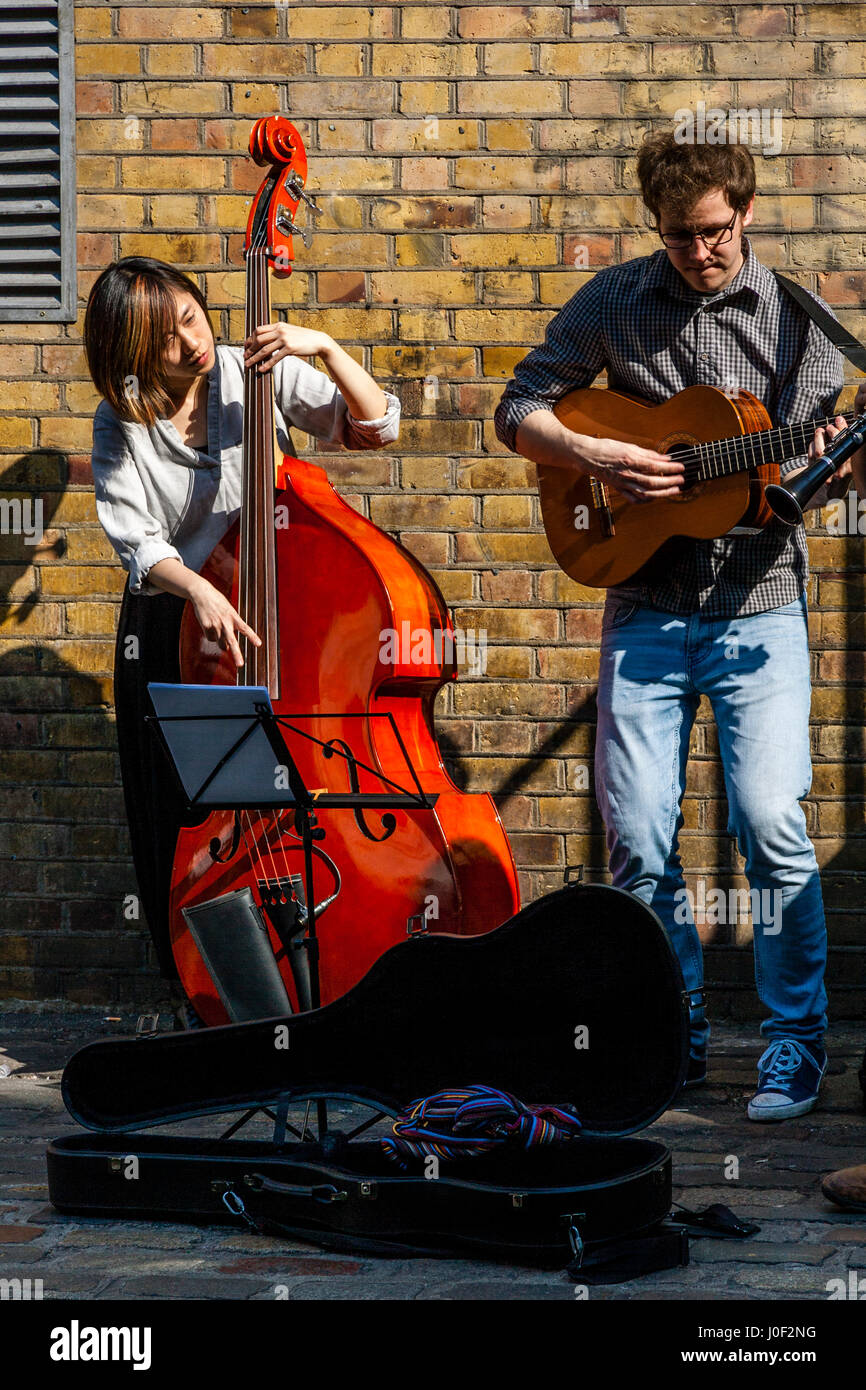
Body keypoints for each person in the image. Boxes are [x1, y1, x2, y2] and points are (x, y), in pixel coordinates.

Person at [495, 131, 866, 1121]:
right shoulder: (614, 300)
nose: (696, 253)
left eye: (710, 233)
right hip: (643, 609)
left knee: (770, 828)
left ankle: (793, 1046)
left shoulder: (800, 324)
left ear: (742, 213)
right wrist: (595, 455)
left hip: (756, 611)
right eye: (675, 237)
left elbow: (801, 482)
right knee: (637, 841)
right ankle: (674, 1035)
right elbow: (516, 407)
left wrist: (835, 465)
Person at [84, 256, 400, 1012]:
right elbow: (136, 539)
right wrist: (197, 591)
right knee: (189, 812)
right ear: (130, 352)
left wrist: (322, 347)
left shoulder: (250, 371)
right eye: (163, 339)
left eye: (191, 317)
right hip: (175, 620)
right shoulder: (122, 416)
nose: (189, 343)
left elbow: (375, 427)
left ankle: (313, 981)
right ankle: (200, 996)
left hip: (272, 612)